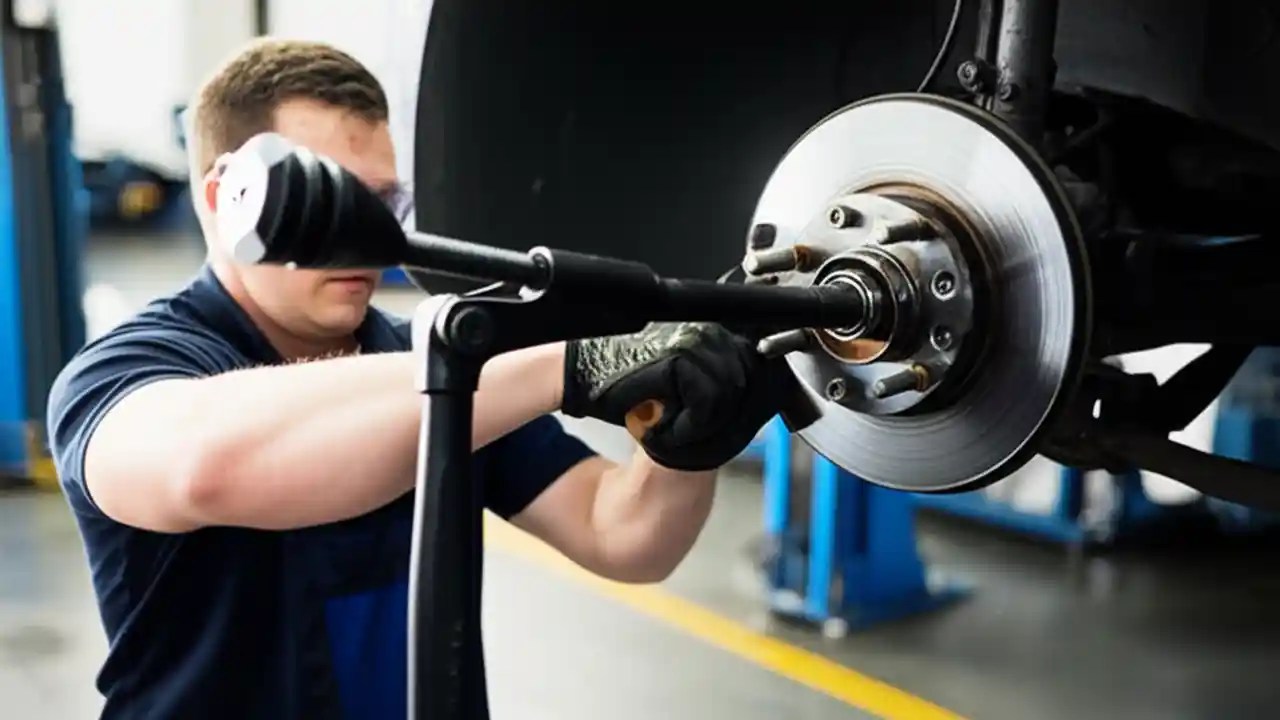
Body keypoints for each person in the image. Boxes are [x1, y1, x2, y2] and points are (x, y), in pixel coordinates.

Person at [46, 38, 786, 719]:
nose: (367, 236)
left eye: (383, 204)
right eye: (328, 198)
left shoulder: (433, 358)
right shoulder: (125, 373)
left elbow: (621, 536)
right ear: (224, 197)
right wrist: (569, 361)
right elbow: (205, 466)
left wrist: (686, 444)